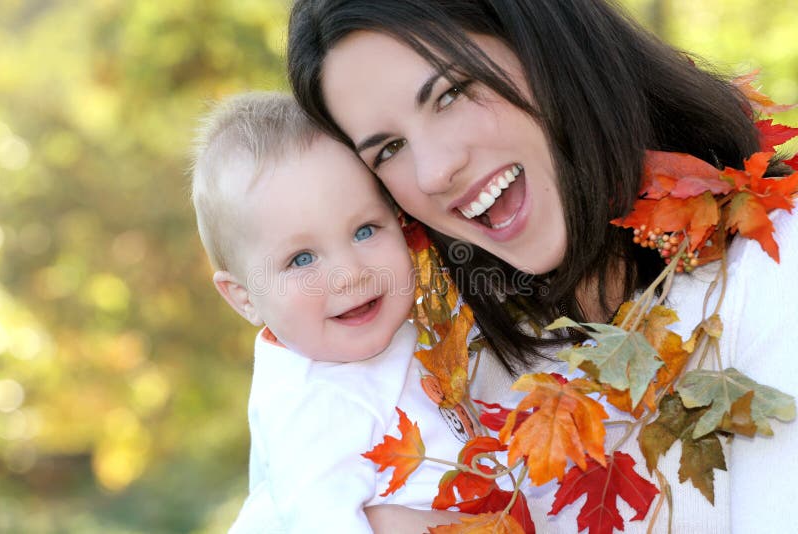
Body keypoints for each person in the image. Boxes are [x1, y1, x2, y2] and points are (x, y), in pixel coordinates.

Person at [286, 1, 798, 532]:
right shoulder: (454, 367)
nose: (435, 172)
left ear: (544, 41)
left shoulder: (770, 271)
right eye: (390, 148)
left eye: (451, 93)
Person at [190, 92, 478, 532]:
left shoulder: (406, 332)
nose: (349, 275)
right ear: (244, 297)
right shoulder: (313, 403)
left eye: (365, 230)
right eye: (301, 259)